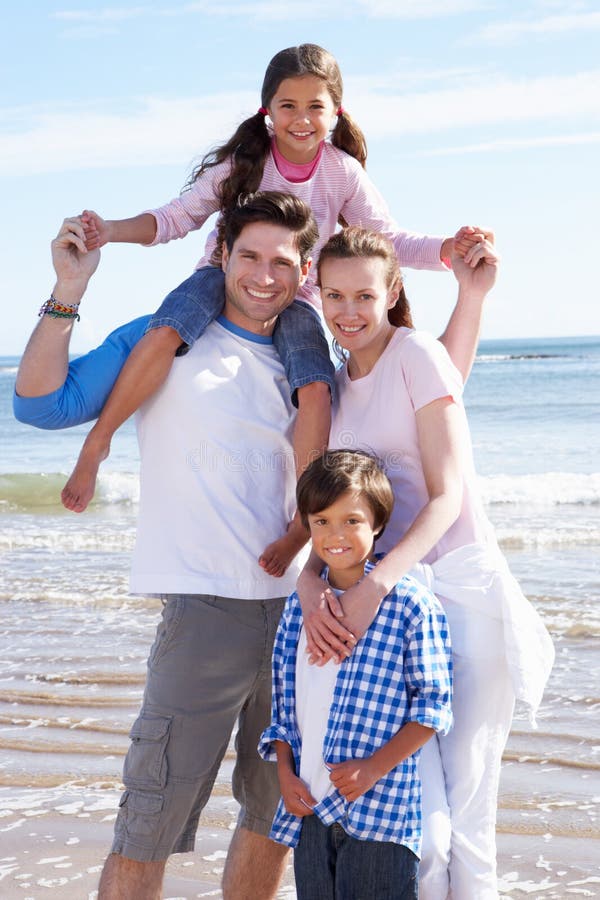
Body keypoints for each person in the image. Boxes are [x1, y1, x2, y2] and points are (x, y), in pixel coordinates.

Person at [59, 42, 484, 577]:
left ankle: (303, 522)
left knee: (315, 388)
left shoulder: (342, 172)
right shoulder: (244, 164)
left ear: (336, 112)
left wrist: (447, 249)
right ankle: (97, 444)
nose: (301, 119)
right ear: (267, 110)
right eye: (288, 106)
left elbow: (387, 239)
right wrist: (110, 230)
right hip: (218, 276)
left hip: (298, 296)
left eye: (315, 107)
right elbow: (176, 217)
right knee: (164, 332)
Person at [15, 191, 324, 900]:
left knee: (274, 816)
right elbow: (41, 405)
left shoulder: (312, 359)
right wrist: (69, 290)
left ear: (303, 271)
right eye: (249, 256)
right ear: (221, 255)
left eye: (282, 262)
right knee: (148, 821)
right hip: (204, 611)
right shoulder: (165, 337)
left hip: (299, 616)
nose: (264, 276)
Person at [295, 227, 555, 899]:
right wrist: (309, 580)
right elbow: (335, 508)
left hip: (458, 593)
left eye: (363, 295)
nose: (348, 311)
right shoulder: (339, 385)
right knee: (421, 820)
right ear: (317, 296)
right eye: (334, 296)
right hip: (397, 609)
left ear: (393, 291)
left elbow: (447, 496)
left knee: (468, 814)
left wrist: (374, 587)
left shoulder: (414, 353)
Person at [258, 450, 453, 900]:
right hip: (309, 806)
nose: (336, 535)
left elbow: (433, 709)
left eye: (351, 520)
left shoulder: (411, 607)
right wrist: (285, 773)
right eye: (321, 521)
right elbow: (283, 706)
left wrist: (372, 768)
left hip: (380, 813)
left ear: (378, 523)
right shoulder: (299, 609)